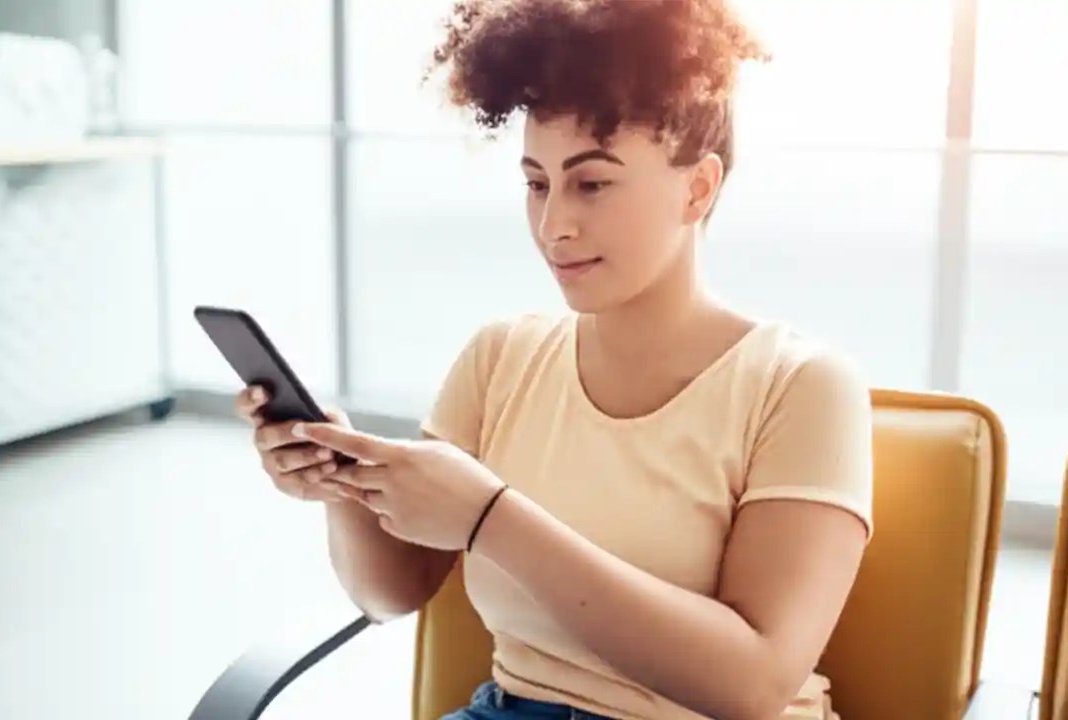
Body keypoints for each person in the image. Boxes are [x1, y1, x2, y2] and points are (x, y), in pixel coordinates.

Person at [236, 1, 873, 718]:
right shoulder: (501, 358)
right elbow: (393, 591)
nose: (552, 225)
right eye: (536, 183)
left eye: (592, 183)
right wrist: (338, 485)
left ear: (698, 187)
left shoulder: (803, 386)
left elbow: (752, 685)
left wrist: (491, 518)